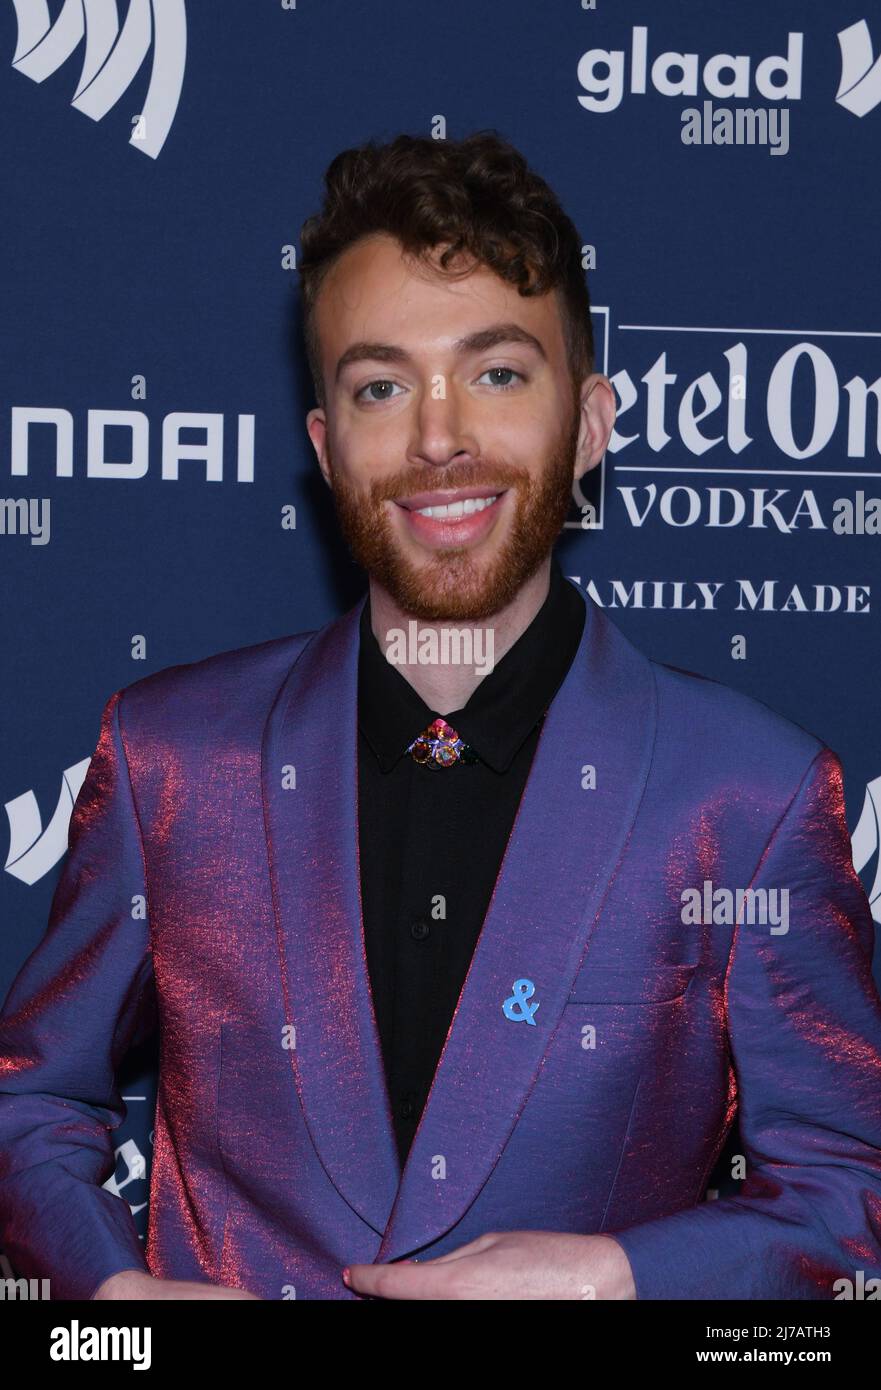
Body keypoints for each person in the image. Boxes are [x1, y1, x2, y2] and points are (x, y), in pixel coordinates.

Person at [2, 132, 880, 1302]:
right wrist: (114, 1314)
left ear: (592, 422)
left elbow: (845, 1192)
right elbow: (31, 1098)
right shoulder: (169, 756)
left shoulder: (749, 796)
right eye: (379, 386)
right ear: (324, 447)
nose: (435, 436)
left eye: (497, 373)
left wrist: (611, 1280)